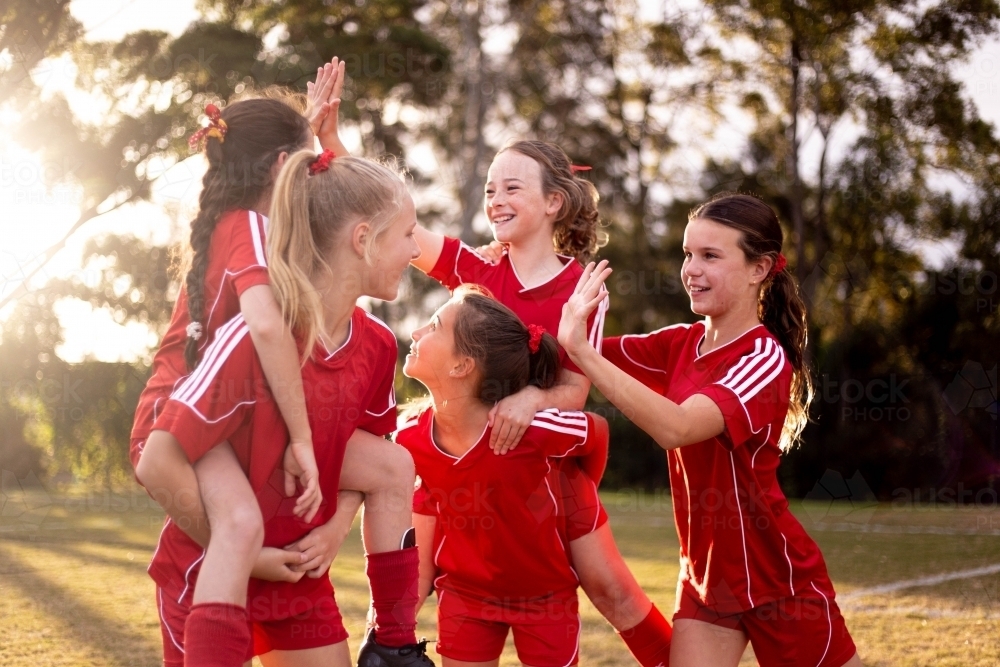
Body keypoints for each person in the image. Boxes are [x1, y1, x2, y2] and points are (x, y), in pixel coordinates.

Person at [135, 141, 434, 666]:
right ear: (362, 241)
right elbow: (158, 462)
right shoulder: (254, 338)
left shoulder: (378, 346)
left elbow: (363, 465)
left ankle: (394, 648)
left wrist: (335, 527)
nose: (416, 251)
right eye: (408, 234)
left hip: (296, 581)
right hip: (208, 574)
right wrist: (250, 552)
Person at [558, 192, 863, 667]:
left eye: (711, 256)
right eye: (688, 254)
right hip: (706, 581)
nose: (691, 270)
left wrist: (584, 353)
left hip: (777, 581)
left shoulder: (762, 358)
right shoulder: (679, 344)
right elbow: (563, 350)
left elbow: (676, 427)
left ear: (759, 269)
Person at [409, 140, 672, 666]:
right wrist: (330, 148)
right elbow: (401, 232)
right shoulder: (476, 271)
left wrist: (531, 397)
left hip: (549, 476)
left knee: (613, 592)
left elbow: (576, 393)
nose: (496, 199)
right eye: (490, 189)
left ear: (554, 202)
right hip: (474, 476)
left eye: (512, 187)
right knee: (442, 584)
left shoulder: (582, 289)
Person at [396, 285, 609, 666]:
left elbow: (597, 434)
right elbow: (417, 517)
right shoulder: (410, 438)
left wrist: (581, 501)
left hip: (546, 597)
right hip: (464, 596)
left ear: (462, 366)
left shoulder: (536, 430)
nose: (416, 333)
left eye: (433, 327)